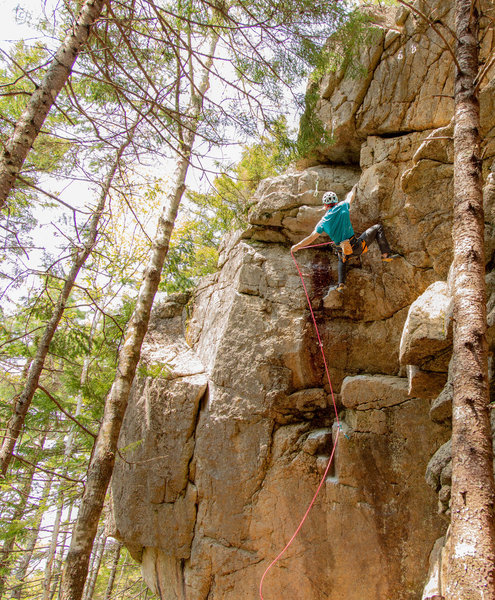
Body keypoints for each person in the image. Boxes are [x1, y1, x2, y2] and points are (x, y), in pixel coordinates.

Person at [291, 185, 400, 297]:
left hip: (344, 251)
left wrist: (297, 246)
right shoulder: (342, 206)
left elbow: (311, 237)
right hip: (356, 247)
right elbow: (350, 197)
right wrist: (354, 188)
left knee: (341, 256)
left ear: (325, 206)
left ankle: (341, 283)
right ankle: (385, 255)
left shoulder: (323, 222)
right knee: (377, 228)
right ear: (336, 201)